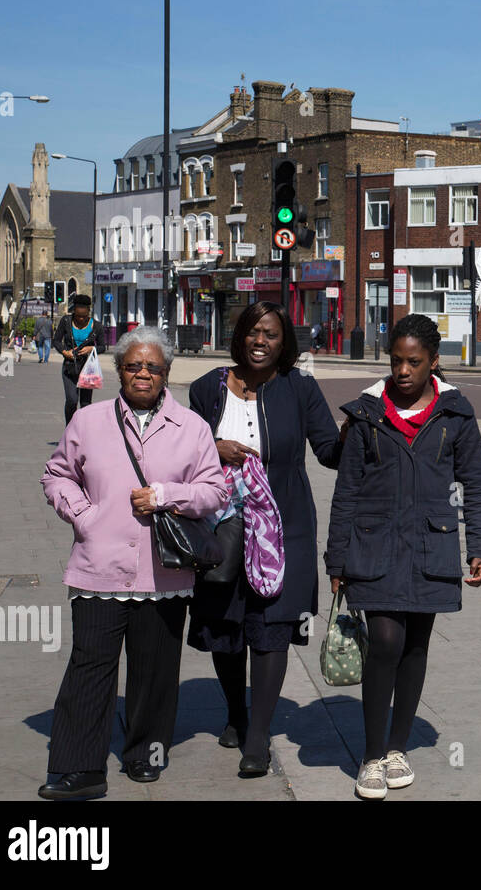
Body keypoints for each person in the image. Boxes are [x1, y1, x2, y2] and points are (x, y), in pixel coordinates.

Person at [38, 327, 228, 800]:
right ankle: (78, 767)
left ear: (166, 373)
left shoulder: (193, 427)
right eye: (133, 365)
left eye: (153, 367)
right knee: (90, 665)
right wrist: (85, 516)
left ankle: (146, 752)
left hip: (164, 571)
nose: (143, 374)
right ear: (119, 369)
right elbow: (57, 475)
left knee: (156, 668)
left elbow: (215, 492)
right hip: (98, 567)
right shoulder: (89, 422)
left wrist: (167, 495)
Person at [326, 314, 481, 800]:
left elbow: (476, 485)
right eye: (396, 360)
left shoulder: (456, 414)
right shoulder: (365, 414)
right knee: (384, 639)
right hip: (372, 546)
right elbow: (346, 491)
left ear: (433, 362)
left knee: (416, 645)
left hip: (431, 546)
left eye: (413, 362)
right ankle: (372, 755)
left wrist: (479, 545)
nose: (402, 370)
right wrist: (336, 561)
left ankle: (398, 748)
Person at [186, 301, 344, 777]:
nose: (261, 341)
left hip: (284, 527)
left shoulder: (300, 389)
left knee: (272, 627)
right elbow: (184, 452)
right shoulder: (206, 389)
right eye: (254, 332)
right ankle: (236, 712)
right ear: (240, 336)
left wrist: (360, 426)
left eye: (271, 334)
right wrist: (214, 447)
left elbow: (330, 452)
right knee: (226, 626)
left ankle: (258, 737)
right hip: (221, 528)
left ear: (284, 343)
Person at [54, 296, 103, 425]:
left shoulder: (97, 325)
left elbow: (103, 346)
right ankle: (69, 429)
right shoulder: (65, 321)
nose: (81, 319)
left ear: (88, 311)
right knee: (72, 400)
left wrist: (92, 348)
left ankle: (83, 432)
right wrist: (65, 352)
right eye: (78, 316)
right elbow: (56, 341)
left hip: (88, 368)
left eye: (84, 316)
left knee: (86, 404)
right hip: (70, 367)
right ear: (74, 311)